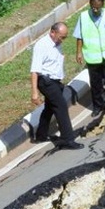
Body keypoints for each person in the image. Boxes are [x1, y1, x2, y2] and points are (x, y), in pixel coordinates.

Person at [30, 22, 83, 150]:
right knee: (61, 107)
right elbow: (34, 70)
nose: (62, 40)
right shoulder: (42, 46)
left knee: (50, 108)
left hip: (55, 81)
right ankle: (67, 139)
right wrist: (34, 92)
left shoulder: (56, 43)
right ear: (52, 32)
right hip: (46, 81)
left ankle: (41, 135)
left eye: (65, 37)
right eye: (61, 37)